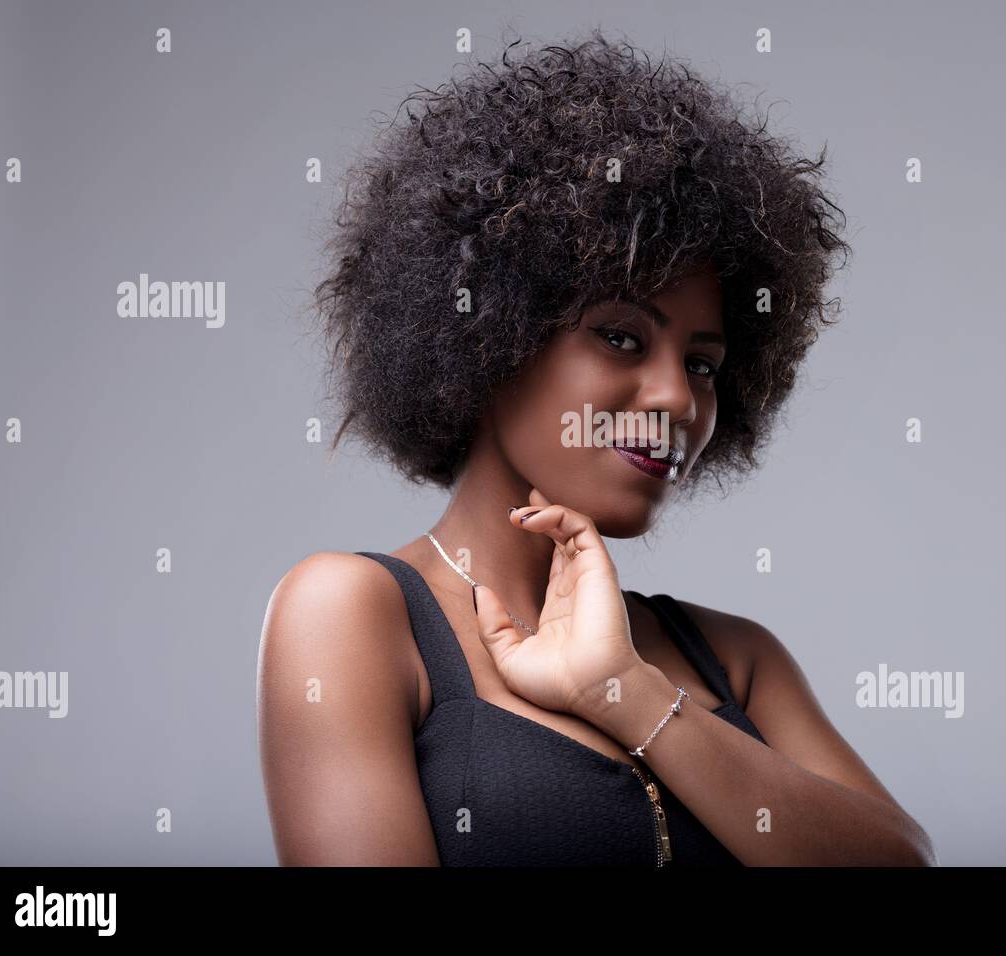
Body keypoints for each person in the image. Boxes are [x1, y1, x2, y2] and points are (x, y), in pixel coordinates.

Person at [257, 28, 936, 866]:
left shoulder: (733, 658)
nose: (677, 397)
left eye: (702, 363)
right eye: (621, 338)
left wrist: (626, 693)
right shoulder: (354, 614)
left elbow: (901, 859)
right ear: (492, 339)